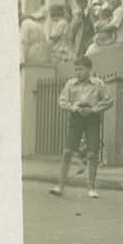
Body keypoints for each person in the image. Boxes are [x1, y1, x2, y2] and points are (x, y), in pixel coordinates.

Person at [48, 54, 113, 199]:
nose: (78, 73)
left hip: (92, 118)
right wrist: (75, 108)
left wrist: (94, 109)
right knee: (67, 152)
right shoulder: (71, 84)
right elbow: (62, 101)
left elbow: (109, 100)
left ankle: (91, 188)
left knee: (92, 153)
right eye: (76, 70)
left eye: (81, 69)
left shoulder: (98, 84)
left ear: (89, 69)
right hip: (76, 118)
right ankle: (60, 186)